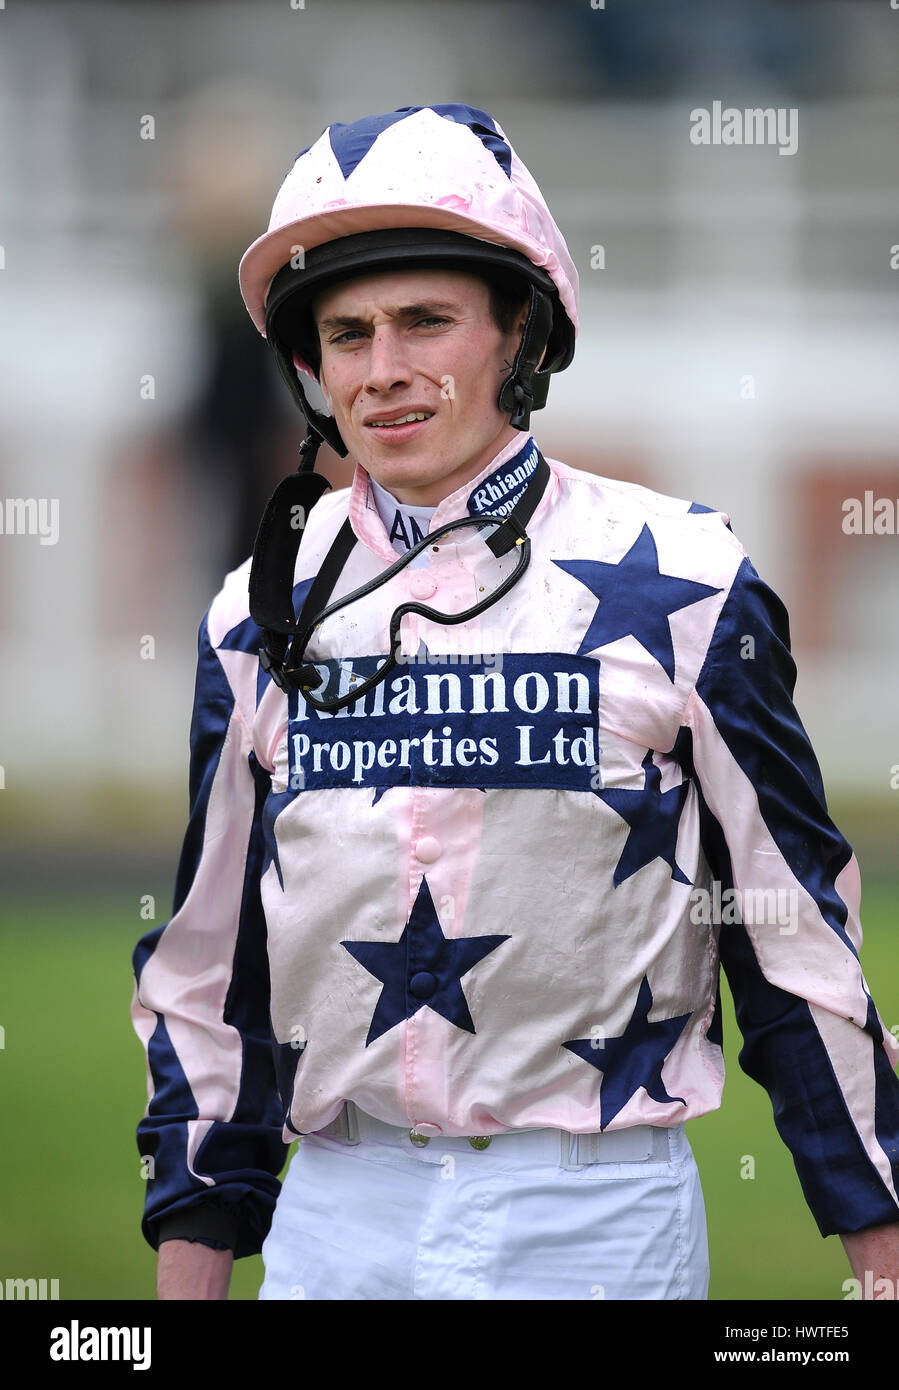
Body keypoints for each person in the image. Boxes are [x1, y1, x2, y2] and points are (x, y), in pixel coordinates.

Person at [132, 104, 899, 1301]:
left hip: (598, 1219)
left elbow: (789, 939)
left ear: (521, 335)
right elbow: (207, 976)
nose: (381, 369)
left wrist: (878, 1252)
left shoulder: (686, 579)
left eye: (425, 322)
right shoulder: (253, 612)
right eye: (345, 334)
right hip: (337, 1219)